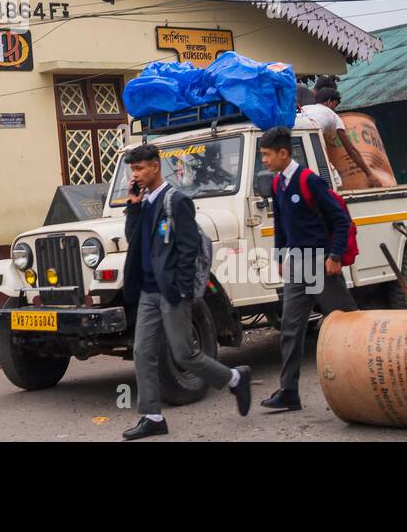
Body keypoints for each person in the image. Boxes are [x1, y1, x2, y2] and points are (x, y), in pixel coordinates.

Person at [120, 143, 251, 440]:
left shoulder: (176, 201)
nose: (136, 175)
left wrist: (181, 289)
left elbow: (189, 248)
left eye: (140, 168)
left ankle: (233, 378)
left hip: (170, 292)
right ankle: (152, 416)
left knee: (184, 353)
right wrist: (133, 204)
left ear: (155, 166)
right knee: (142, 351)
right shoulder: (145, 202)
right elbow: (133, 239)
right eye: (133, 170)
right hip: (147, 291)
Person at [257, 125, 357, 412]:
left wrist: (335, 255)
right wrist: (279, 255)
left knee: (346, 324)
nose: (264, 160)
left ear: (283, 153)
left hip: (320, 263)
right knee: (290, 328)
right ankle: (289, 392)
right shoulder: (278, 184)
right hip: (296, 264)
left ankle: (365, 378)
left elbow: (340, 220)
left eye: (266, 155)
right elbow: (280, 224)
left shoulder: (308, 181)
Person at [300, 82, 381, 188]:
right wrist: (370, 174)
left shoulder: (305, 108)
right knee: (336, 182)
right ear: (330, 102)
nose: (335, 109)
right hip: (311, 145)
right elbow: (351, 150)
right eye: (335, 105)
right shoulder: (334, 117)